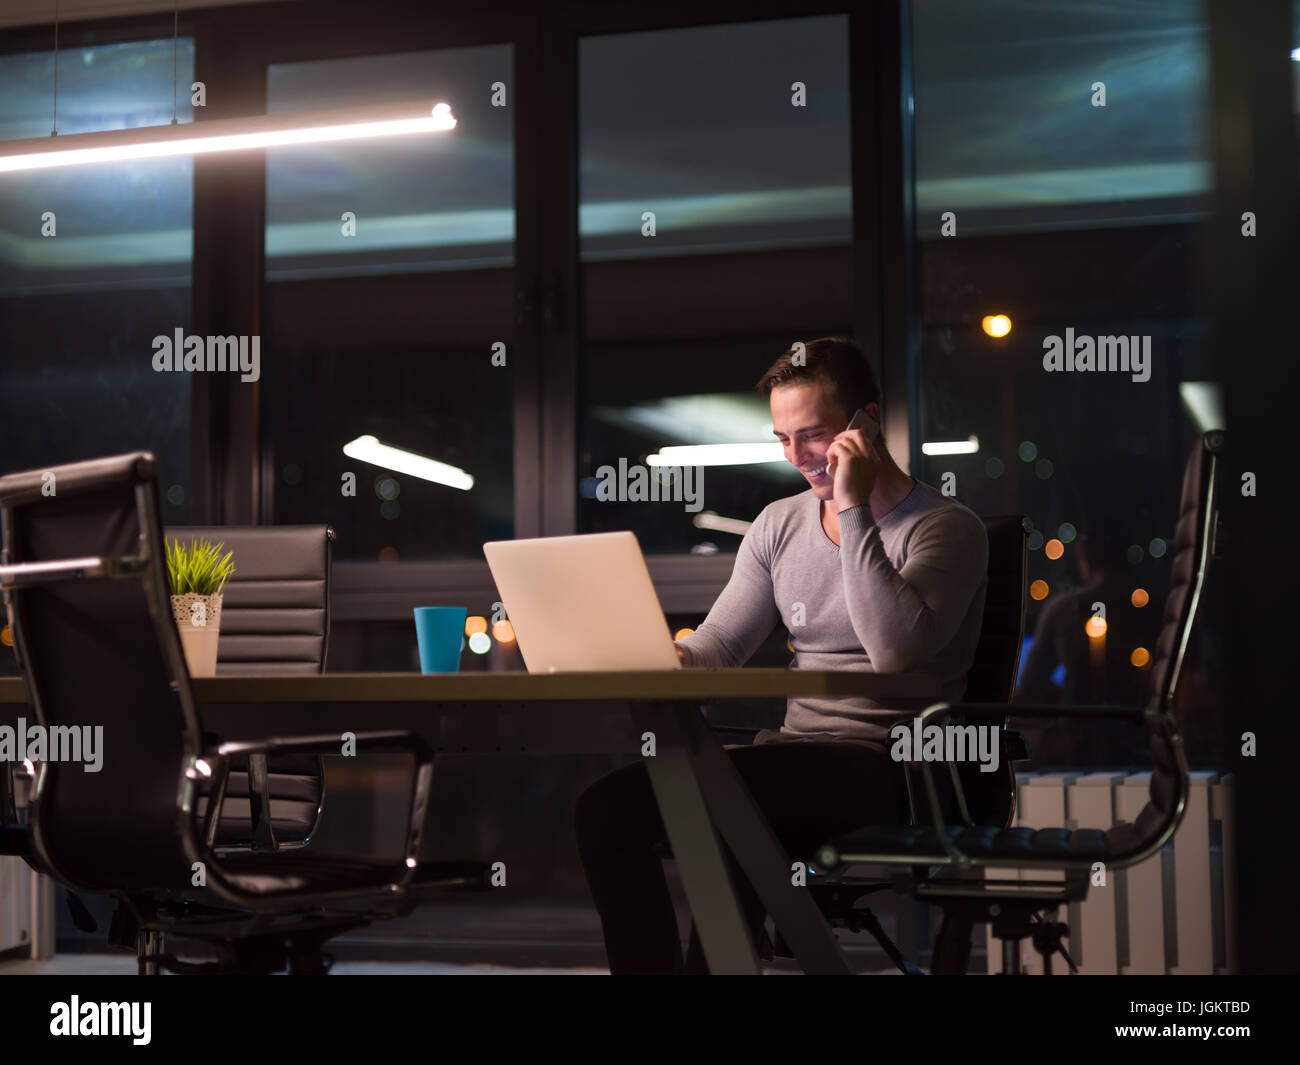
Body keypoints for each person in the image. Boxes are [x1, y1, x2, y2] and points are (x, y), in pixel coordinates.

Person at [574, 336, 989, 973]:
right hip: (794, 757)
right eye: (782, 439)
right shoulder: (778, 524)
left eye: (815, 434)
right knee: (604, 811)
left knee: (726, 799)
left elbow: (896, 651)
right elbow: (719, 645)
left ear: (866, 423)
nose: (798, 457)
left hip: (894, 768)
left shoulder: (944, 527)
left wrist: (852, 509)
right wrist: (667, 657)